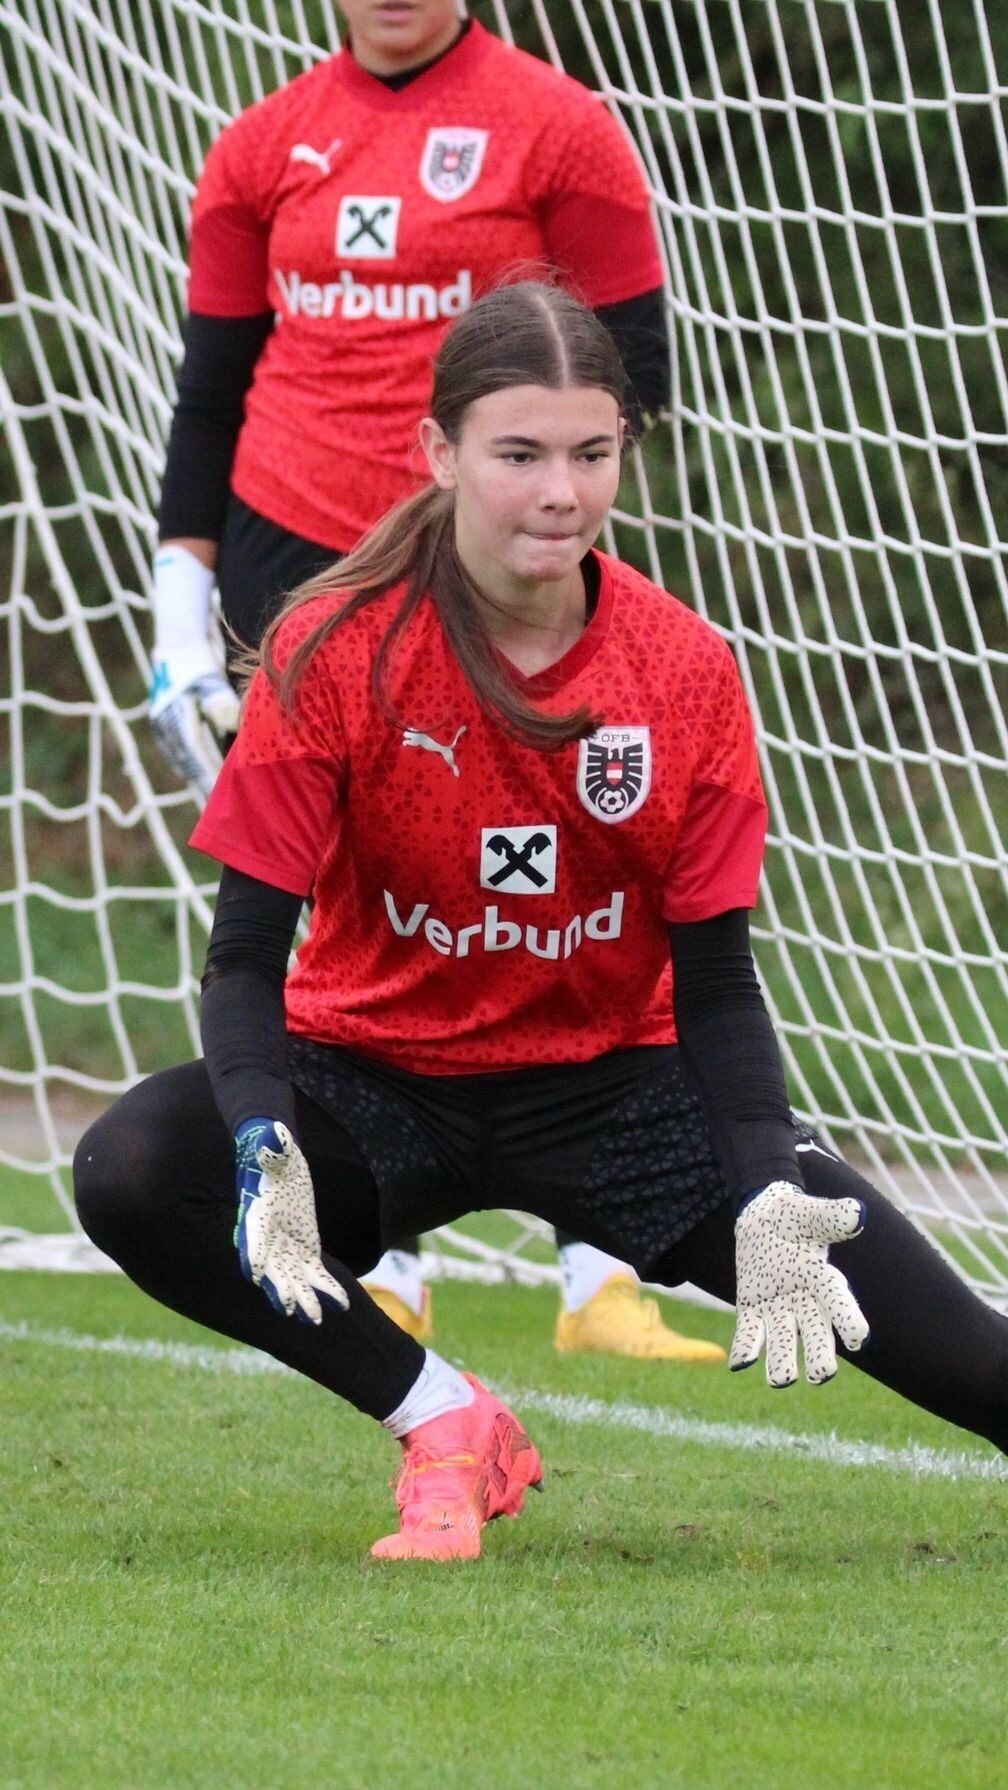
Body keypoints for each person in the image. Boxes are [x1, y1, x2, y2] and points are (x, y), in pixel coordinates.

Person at [78, 283, 1008, 1573]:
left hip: (625, 1099)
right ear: (437, 453)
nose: (558, 490)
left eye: (591, 452)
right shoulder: (337, 647)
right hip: (375, 1088)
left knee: (971, 1355)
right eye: (519, 453)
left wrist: (767, 1188)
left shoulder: (683, 670)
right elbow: (245, 957)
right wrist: (264, 1138)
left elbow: (717, 986)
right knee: (138, 1169)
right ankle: (440, 1419)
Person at [147, 0, 719, 1361]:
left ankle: (603, 1267)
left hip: (490, 559)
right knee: (348, 889)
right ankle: (382, 1246)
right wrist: (181, 600)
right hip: (291, 555)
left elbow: (635, 372)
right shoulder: (258, 147)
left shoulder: (561, 128)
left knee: (580, 854)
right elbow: (209, 385)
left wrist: (510, 479)